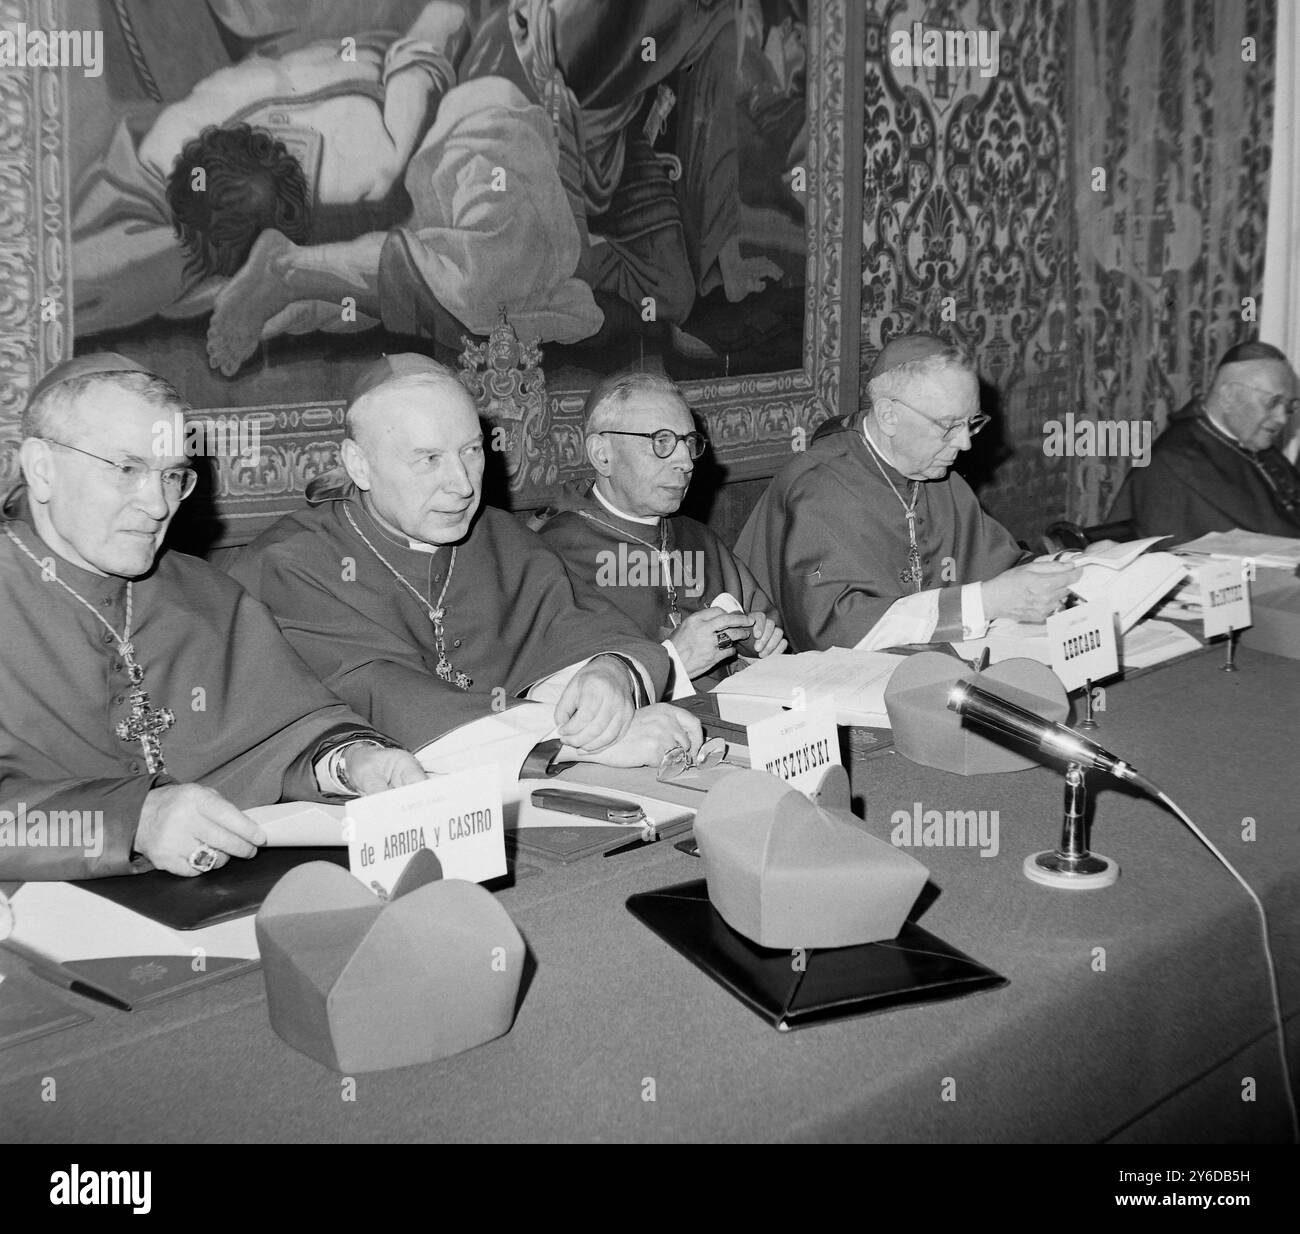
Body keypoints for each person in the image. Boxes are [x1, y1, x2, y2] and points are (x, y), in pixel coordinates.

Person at [0, 354, 427, 882]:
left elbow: (285, 731)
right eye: (127, 469)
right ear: (42, 469)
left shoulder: (206, 594)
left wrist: (350, 763)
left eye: (173, 476)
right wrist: (131, 822)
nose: (158, 505)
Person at [231, 355, 700, 765]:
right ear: (359, 464)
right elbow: (384, 702)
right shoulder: (289, 564)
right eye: (429, 459)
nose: (462, 485)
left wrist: (608, 672)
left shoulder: (502, 538)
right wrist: (570, 744)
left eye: (471, 452)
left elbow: (586, 630)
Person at [736, 334, 1082, 651]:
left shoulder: (937, 476)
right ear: (889, 415)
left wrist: (1078, 565)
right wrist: (985, 602)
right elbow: (833, 632)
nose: (965, 443)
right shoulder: (818, 490)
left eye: (972, 423)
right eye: (949, 425)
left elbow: (1002, 568)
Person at [538, 370, 786, 694]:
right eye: (662, 441)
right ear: (602, 454)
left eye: (689, 443)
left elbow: (761, 637)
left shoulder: (701, 541)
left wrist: (756, 646)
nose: (686, 462)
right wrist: (671, 663)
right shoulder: (552, 557)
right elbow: (561, 699)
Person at [1108, 340, 1300, 543]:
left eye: (1290, 406)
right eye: (1273, 402)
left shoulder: (1259, 449)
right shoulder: (1174, 463)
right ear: (1229, 396)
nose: (1282, 418)